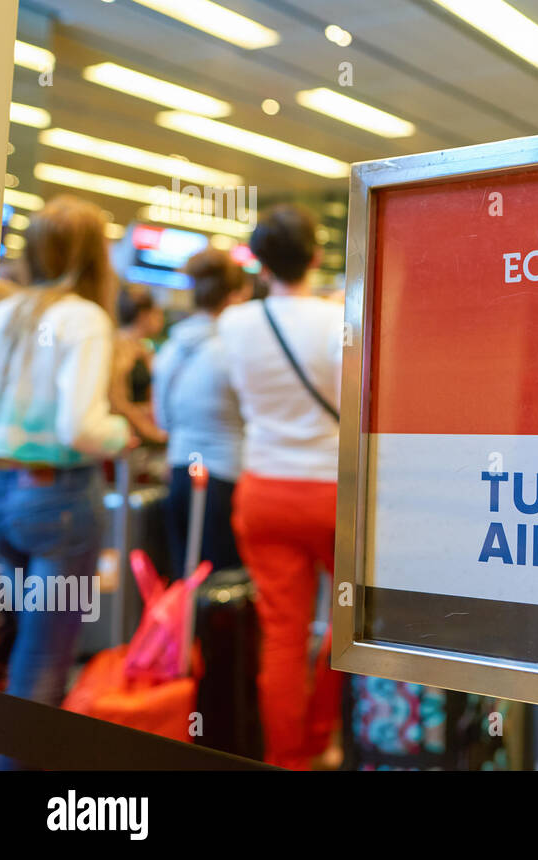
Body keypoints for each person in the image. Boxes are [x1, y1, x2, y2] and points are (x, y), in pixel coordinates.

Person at [0, 196, 130, 754]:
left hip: (2, 489)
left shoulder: (9, 311)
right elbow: (82, 427)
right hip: (61, 499)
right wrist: (123, 431)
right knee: (42, 659)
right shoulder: (84, 318)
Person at [219, 204, 344, 770]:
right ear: (315, 257)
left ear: (260, 262)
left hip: (264, 489)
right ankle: (325, 736)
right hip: (330, 493)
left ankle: (285, 758)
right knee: (348, 624)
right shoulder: (335, 320)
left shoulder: (235, 322)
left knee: (282, 633)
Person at [152, 249, 250, 575]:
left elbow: (163, 420)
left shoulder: (170, 349)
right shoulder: (235, 349)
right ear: (237, 295)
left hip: (181, 471)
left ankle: (187, 630)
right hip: (227, 476)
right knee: (225, 582)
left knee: (185, 580)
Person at [111, 284, 167, 445]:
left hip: (143, 432)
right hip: (130, 436)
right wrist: (150, 431)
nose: (160, 318)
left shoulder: (143, 347)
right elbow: (119, 400)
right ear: (143, 315)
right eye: (157, 312)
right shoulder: (120, 346)